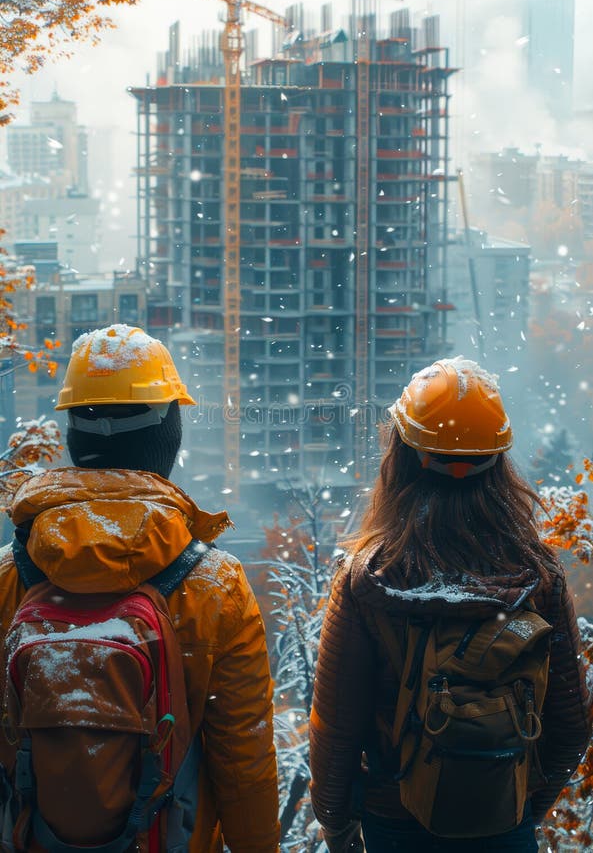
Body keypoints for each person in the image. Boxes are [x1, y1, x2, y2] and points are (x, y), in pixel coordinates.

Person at [0, 324, 280, 853]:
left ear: (73, 439)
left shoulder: (9, 577)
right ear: (167, 437)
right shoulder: (213, 585)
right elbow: (244, 762)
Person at [310, 356, 591, 853]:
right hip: (505, 828)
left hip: (394, 824)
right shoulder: (537, 577)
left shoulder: (367, 582)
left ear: (400, 456)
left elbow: (336, 735)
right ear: (497, 463)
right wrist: (512, 804)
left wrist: (338, 827)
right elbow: (569, 729)